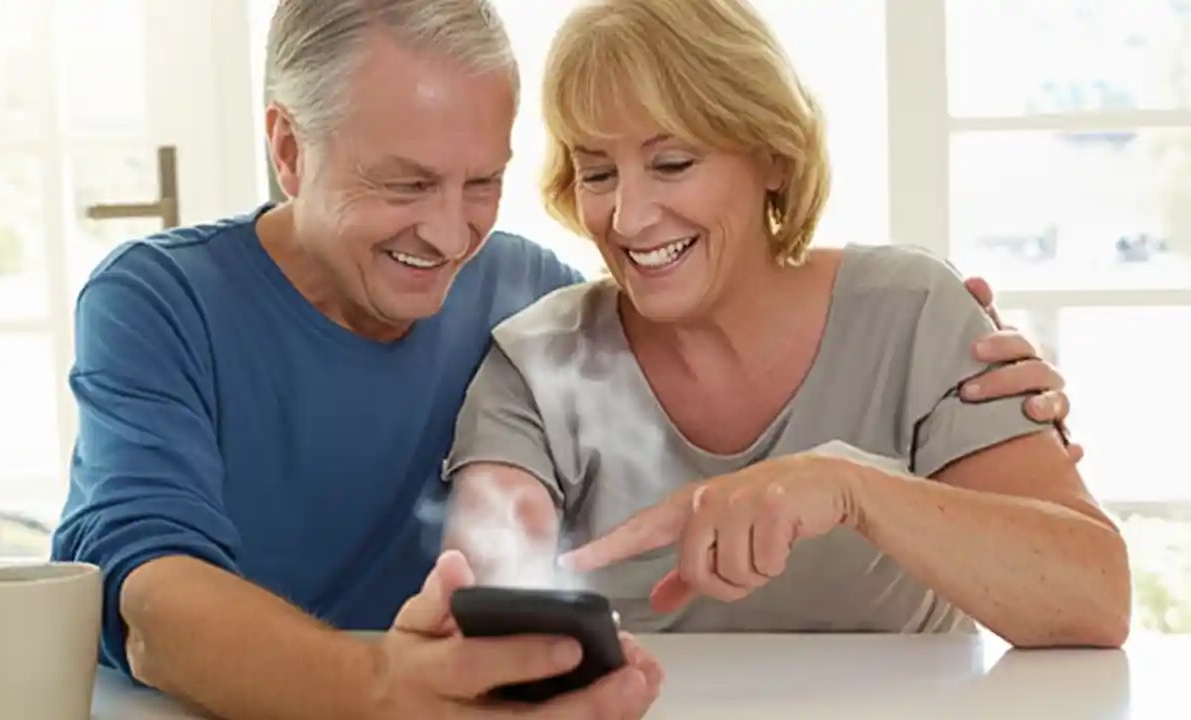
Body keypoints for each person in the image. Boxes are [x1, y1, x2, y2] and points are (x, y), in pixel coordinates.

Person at [50, 0, 1079, 717]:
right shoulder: (160, 301)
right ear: (287, 149)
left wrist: (965, 386)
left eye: (479, 183)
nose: (449, 235)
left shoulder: (520, 292)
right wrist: (388, 692)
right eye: (403, 186)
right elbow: (152, 603)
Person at [443, 0, 1130, 649]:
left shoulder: (914, 311)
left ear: (772, 155)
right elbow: (484, 600)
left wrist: (851, 489)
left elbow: (1095, 599)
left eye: (673, 164)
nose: (628, 218)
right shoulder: (537, 360)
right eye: (597, 174)